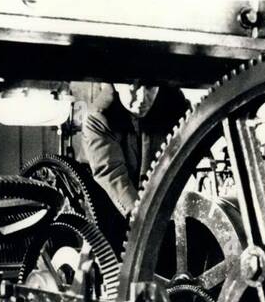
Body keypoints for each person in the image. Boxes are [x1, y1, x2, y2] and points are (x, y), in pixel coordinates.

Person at [81, 81, 190, 221]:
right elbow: (112, 174)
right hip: (109, 205)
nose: (142, 98)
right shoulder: (98, 117)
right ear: (117, 85)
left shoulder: (173, 102)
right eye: (133, 88)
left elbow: (194, 133)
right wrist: (142, 219)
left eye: (150, 87)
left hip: (153, 201)